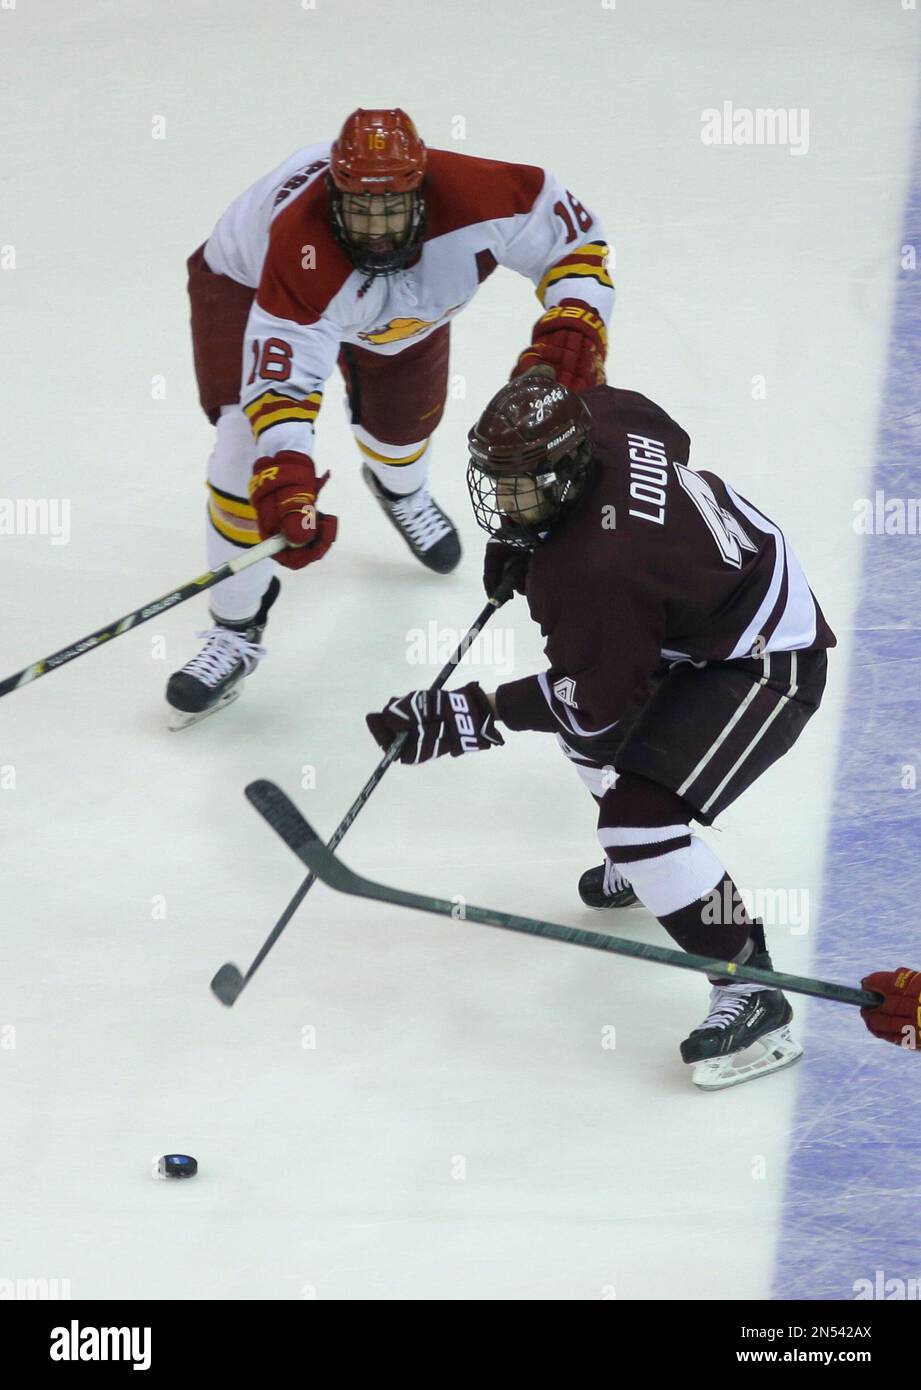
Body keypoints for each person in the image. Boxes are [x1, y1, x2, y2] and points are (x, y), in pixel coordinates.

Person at [366, 375, 838, 1089]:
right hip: (707, 603)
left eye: (518, 486)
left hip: (765, 656)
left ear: (564, 471)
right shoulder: (603, 418)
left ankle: (748, 983)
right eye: (495, 481)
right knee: (593, 748)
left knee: (637, 827)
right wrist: (541, 536)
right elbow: (667, 437)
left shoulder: (594, 575)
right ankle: (658, 881)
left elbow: (594, 701)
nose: (500, 501)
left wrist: (473, 713)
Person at [167, 108, 614, 728]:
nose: (375, 231)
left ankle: (400, 489)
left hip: (407, 309)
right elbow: (283, 387)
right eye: (359, 210)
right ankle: (236, 628)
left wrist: (572, 324)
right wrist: (288, 474)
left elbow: (575, 244)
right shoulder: (301, 249)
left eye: (390, 210)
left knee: (403, 431)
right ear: (333, 196)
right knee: (247, 454)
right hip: (248, 285)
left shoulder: (484, 194)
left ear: (421, 194)